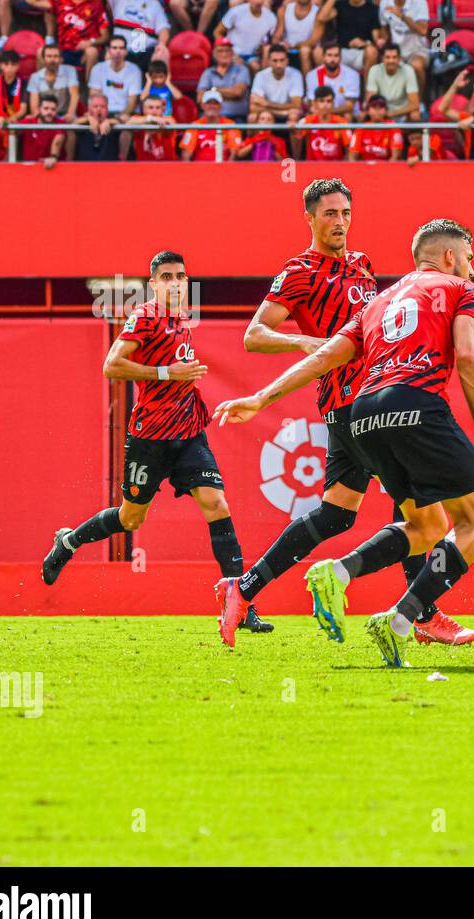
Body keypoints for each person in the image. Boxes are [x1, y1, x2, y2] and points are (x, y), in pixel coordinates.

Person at [214, 218, 474, 667]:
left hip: (363, 412)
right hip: (417, 404)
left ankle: (338, 572)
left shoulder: (378, 301)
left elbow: (324, 357)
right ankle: (402, 619)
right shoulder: (459, 288)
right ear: (450, 257)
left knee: (426, 527)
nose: (473, 268)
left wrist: (260, 398)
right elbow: (468, 354)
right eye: (469, 258)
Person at [41, 252, 274, 637]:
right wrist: (166, 372)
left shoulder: (182, 318)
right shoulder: (145, 316)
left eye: (181, 276)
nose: (175, 283)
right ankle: (68, 542)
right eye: (166, 277)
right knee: (132, 517)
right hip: (150, 437)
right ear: (154, 284)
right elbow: (111, 365)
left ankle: (241, 602)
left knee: (216, 504)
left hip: (187, 432)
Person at [30, 0, 107, 76]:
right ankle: (42, 87)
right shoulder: (59, 2)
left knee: (92, 52)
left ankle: (91, 87)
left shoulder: (96, 3)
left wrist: (90, 42)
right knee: (41, 52)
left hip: (84, 53)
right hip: (62, 52)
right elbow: (33, 2)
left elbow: (105, 37)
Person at [316, 0, 386, 78]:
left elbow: (376, 40)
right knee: (319, 52)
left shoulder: (373, 9)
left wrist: (364, 43)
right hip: (340, 52)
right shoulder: (340, 5)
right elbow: (322, 18)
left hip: (362, 53)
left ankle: (368, 89)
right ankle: (325, 89)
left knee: (372, 51)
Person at [197, 37, 253, 121]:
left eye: (227, 51)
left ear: (232, 53)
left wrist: (212, 90)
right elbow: (200, 98)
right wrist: (229, 94)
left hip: (236, 118)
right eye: (220, 51)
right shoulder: (208, 73)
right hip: (211, 118)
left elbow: (237, 92)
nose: (224, 54)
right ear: (214, 54)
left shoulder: (241, 70)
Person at [89, 35, 144, 120]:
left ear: (126, 51)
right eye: (114, 48)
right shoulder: (98, 68)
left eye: (121, 48)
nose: (118, 51)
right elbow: (94, 96)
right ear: (108, 50)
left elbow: (132, 102)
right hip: (104, 113)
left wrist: (117, 118)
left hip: (125, 115)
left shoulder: (134, 70)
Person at [180, 88, 242, 160]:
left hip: (223, 169)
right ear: (202, 105)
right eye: (208, 103)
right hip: (199, 169)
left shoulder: (230, 125)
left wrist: (227, 170)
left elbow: (233, 155)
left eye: (215, 103)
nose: (212, 106)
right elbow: (186, 156)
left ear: (220, 106)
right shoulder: (195, 126)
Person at [110, 0, 171, 74]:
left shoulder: (154, 4)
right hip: (122, 49)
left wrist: (162, 44)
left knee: (162, 53)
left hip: (146, 51)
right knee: (112, 52)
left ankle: (158, 85)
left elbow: (163, 28)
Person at [379, 0, 429, 89]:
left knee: (416, 66)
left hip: (417, 50)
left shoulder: (420, 2)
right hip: (396, 50)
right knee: (385, 65)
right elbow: (384, 27)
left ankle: (419, 101)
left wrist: (402, 17)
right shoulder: (384, 2)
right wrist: (385, 44)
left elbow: (423, 30)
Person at [250, 44, 305, 125]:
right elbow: (253, 107)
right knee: (252, 117)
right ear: (269, 61)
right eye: (275, 61)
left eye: (282, 60)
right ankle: (257, 138)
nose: (278, 65)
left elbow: (296, 104)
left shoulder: (295, 74)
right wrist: (278, 111)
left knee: (294, 115)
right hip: (275, 112)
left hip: (287, 113)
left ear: (287, 60)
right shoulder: (260, 76)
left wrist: (267, 104)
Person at [365, 42, 420, 121]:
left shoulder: (408, 70)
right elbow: (371, 100)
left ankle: (412, 134)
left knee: (415, 115)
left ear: (399, 59)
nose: (391, 61)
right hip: (381, 111)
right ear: (382, 58)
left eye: (394, 57)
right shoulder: (374, 70)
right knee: (368, 113)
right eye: (387, 57)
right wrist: (381, 112)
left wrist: (392, 113)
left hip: (403, 112)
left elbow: (415, 104)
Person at [306, 42, 362, 117]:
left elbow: (349, 106)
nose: (332, 59)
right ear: (323, 57)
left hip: (343, 113)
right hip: (320, 113)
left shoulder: (352, 75)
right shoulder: (313, 75)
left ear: (340, 57)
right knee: (313, 111)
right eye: (329, 55)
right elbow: (313, 103)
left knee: (347, 115)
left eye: (336, 55)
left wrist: (327, 112)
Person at [28, 43, 82, 119]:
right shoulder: (35, 77)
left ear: (61, 59)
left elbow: (74, 95)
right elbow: (34, 107)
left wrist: (70, 114)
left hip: (65, 117)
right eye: (49, 56)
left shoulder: (70, 71)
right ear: (43, 59)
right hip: (44, 118)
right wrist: (42, 119)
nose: (52, 60)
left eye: (56, 56)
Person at [294, 84, 347, 159]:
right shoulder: (307, 121)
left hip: (335, 168)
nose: (325, 105)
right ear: (315, 103)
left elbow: (349, 151)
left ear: (333, 104)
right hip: (312, 167)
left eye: (329, 101)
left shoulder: (341, 122)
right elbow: (297, 140)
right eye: (321, 101)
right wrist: (294, 130)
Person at [21, 92, 69, 167]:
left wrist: (53, 157)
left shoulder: (60, 123)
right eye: (46, 108)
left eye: (53, 109)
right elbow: (13, 131)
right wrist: (2, 120)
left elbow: (58, 141)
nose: (49, 112)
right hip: (29, 169)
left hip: (53, 169)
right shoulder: (28, 122)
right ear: (39, 109)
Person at [127, 92, 179, 160]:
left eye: (158, 107)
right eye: (150, 107)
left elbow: (171, 122)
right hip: (144, 167)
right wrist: (151, 118)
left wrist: (156, 121)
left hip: (167, 166)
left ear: (162, 109)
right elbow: (128, 123)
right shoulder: (138, 120)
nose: (154, 111)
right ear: (143, 110)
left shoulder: (168, 119)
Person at [274, 0, 322, 74]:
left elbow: (313, 41)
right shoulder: (284, 9)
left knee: (305, 51)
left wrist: (293, 46)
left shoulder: (318, 12)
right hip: (287, 48)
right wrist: (280, 45)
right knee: (270, 49)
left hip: (308, 50)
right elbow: (278, 35)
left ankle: (307, 84)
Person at [348, 93, 400, 159]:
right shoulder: (360, 128)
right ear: (368, 111)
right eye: (374, 107)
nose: (377, 110)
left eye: (381, 107)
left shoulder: (393, 127)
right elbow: (352, 157)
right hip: (364, 168)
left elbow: (395, 157)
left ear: (386, 110)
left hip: (386, 167)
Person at [72, 91, 121, 160]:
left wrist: (108, 121)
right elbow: (73, 124)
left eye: (103, 106)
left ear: (107, 109)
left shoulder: (111, 120)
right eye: (95, 106)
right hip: (85, 166)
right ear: (89, 109)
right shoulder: (84, 121)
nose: (99, 109)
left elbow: (120, 123)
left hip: (109, 166)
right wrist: (88, 118)